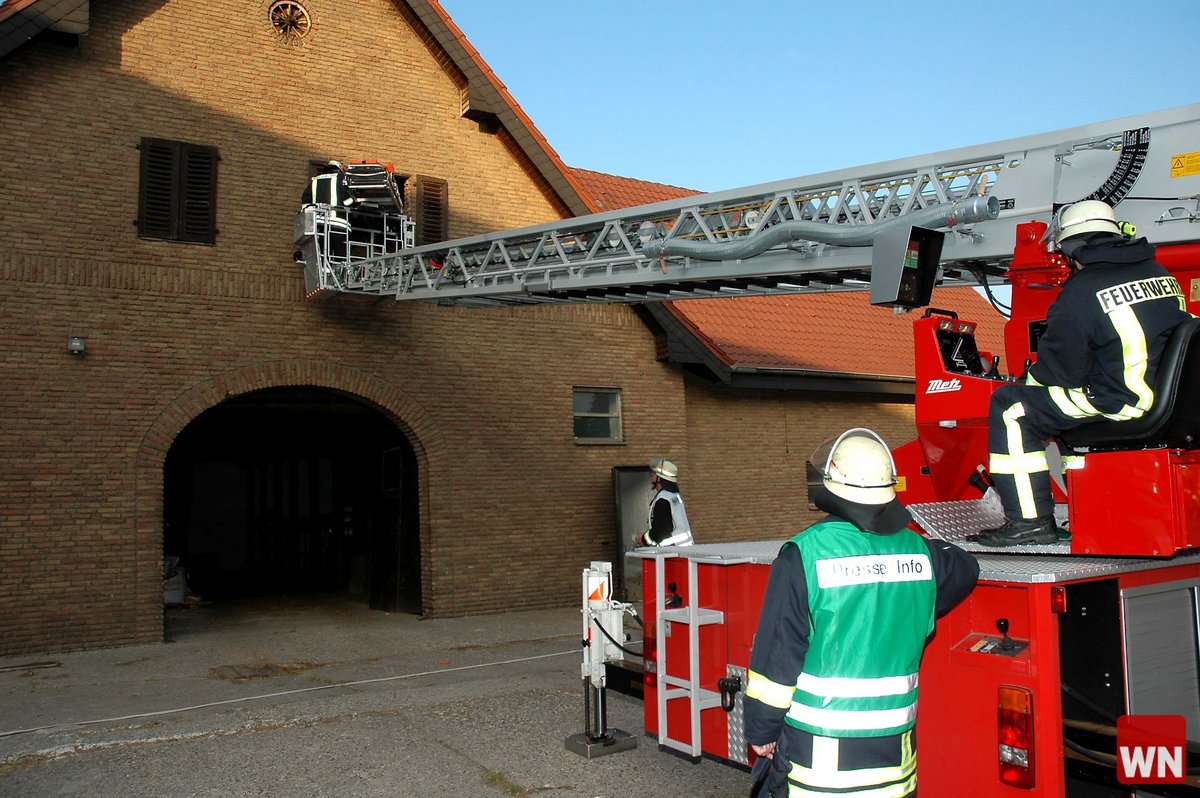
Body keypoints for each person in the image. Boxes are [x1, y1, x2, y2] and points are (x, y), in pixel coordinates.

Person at [744, 428, 979, 798]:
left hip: (820, 767)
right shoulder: (920, 553)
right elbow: (965, 566)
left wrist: (761, 731)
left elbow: (777, 660)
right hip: (894, 766)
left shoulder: (803, 555)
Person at [971, 199, 1193, 546]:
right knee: (1062, 411)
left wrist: (1028, 385)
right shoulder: (1160, 275)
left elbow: (1060, 373)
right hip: (1168, 403)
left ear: (1073, 247)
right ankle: (1084, 511)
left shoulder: (1082, 291)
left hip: (1121, 402)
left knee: (1011, 407)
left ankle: (1029, 522)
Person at [634, 456, 693, 547]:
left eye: (654, 472)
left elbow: (659, 534)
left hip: (672, 553)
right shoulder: (673, 496)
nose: (651, 474)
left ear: (660, 477)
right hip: (682, 550)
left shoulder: (663, 501)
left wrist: (641, 538)